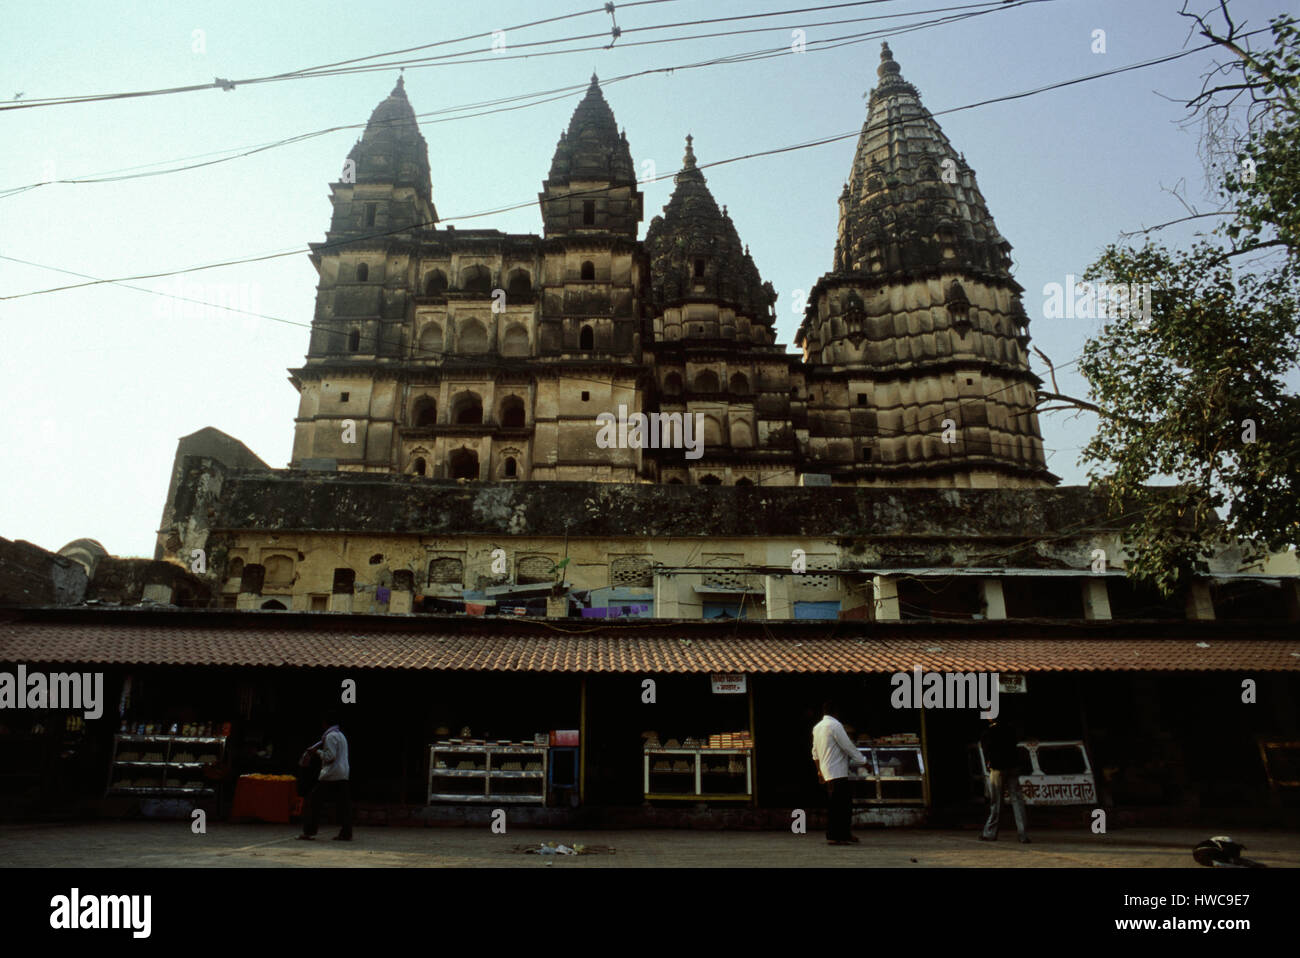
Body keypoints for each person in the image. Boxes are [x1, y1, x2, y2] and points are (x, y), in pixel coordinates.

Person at [811, 701, 868, 845]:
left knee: (834, 804)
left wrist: (819, 772)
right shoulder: (835, 725)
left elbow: (815, 753)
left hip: (827, 771)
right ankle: (841, 835)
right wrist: (863, 761)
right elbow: (847, 746)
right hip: (838, 771)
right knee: (843, 805)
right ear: (836, 712)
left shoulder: (817, 728)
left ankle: (837, 834)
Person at [297, 712, 352, 841]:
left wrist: (317, 752)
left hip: (331, 774)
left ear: (325, 723)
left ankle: (309, 831)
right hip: (342, 773)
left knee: (313, 802)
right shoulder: (340, 735)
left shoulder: (330, 736)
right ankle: (346, 833)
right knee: (344, 805)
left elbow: (329, 757)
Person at [979, 716, 1029, 843]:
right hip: (1012, 766)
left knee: (996, 802)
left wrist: (989, 763)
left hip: (997, 768)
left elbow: (987, 751)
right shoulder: (1011, 729)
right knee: (1017, 800)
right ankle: (1023, 834)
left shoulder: (989, 732)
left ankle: (990, 833)